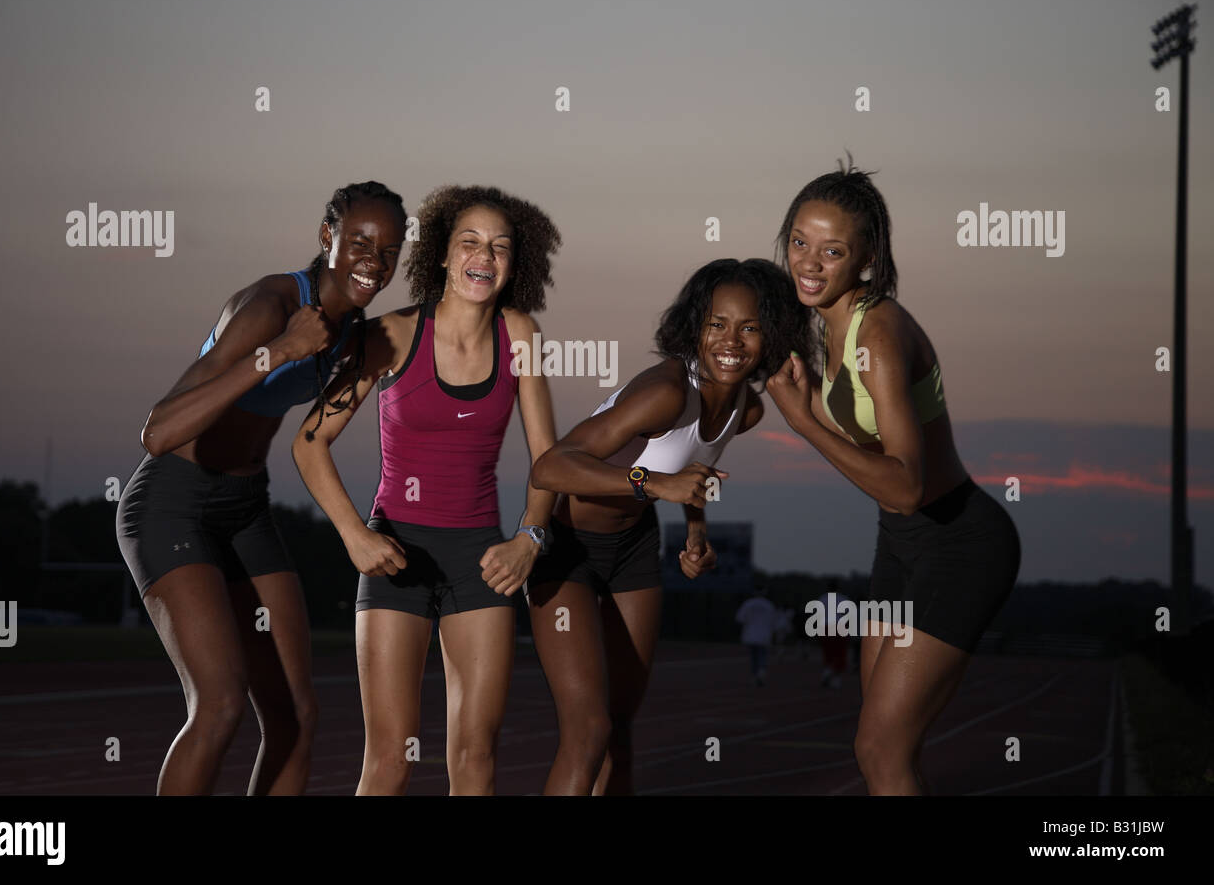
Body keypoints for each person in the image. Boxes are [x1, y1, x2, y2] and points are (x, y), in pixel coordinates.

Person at [115, 181, 408, 794]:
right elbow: (159, 430)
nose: (372, 263)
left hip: (245, 508)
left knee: (296, 716)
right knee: (220, 705)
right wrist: (277, 352)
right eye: (359, 243)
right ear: (327, 238)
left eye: (387, 252)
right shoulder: (271, 306)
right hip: (173, 502)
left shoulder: (353, 335)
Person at [292, 184, 560, 795]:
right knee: (390, 761)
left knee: (474, 760)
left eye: (500, 246)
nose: (484, 256)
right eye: (470, 242)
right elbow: (308, 442)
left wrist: (531, 537)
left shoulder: (520, 333)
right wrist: (355, 535)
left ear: (514, 263)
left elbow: (548, 458)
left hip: (482, 561)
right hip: (395, 555)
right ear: (441, 253)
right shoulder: (389, 336)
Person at [767, 157, 1020, 795]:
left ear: (867, 258)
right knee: (881, 751)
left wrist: (804, 426)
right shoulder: (814, 326)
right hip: (901, 545)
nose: (809, 262)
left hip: (961, 543)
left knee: (880, 748)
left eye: (832, 250)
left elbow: (907, 485)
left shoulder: (875, 334)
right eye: (800, 242)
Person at [528, 258, 814, 794]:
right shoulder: (666, 392)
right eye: (716, 324)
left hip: (634, 548)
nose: (731, 340)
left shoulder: (745, 410)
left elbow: (693, 467)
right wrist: (655, 487)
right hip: (569, 551)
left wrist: (696, 532)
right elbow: (551, 466)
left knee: (620, 731)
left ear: (772, 334)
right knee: (589, 731)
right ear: (694, 328)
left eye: (749, 327)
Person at [736, 584, 779, 686]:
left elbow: (740, 619)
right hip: (764, 635)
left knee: (753, 657)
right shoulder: (769, 605)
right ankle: (761, 672)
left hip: (750, 634)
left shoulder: (748, 604)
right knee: (762, 655)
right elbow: (774, 622)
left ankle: (755, 675)